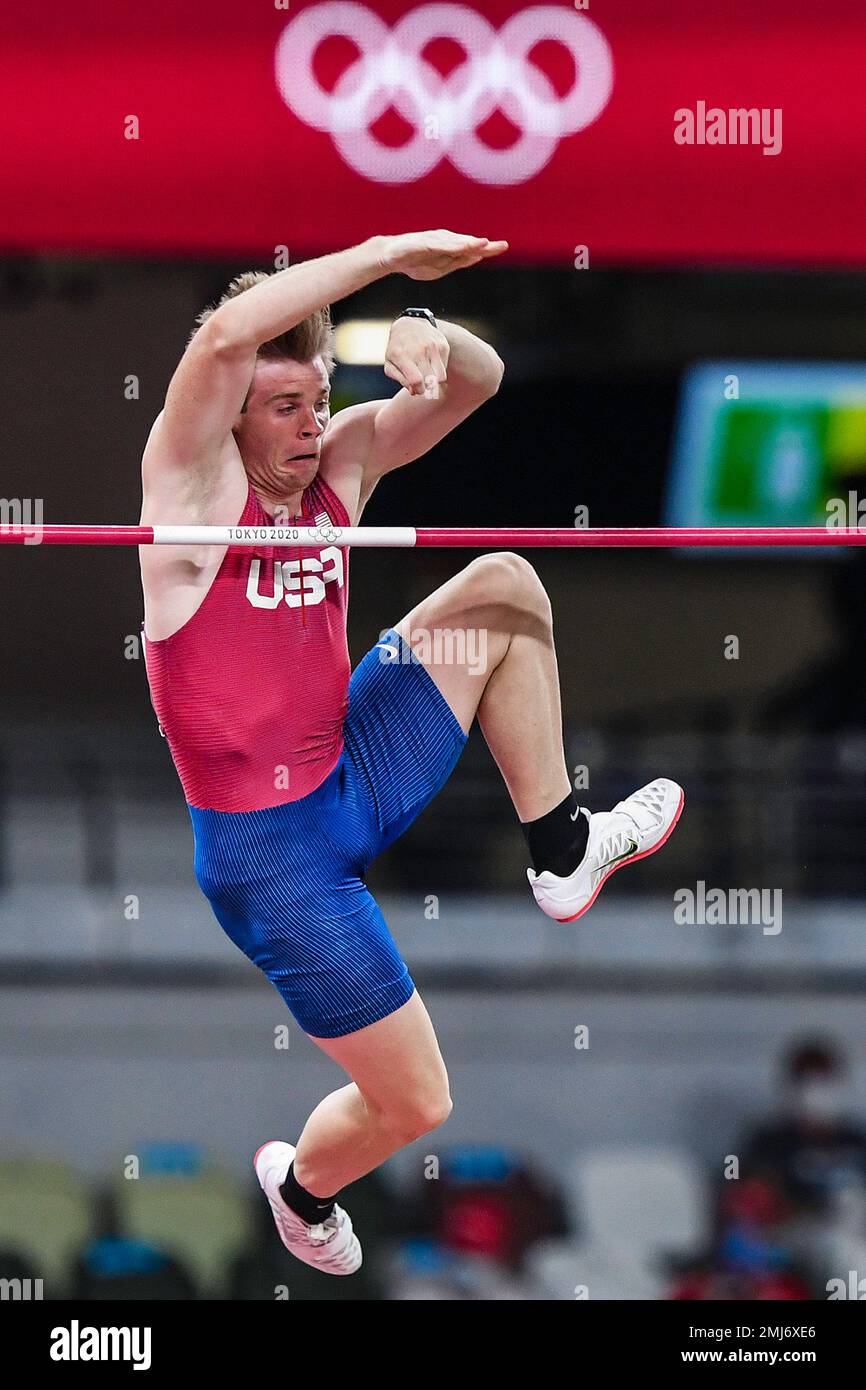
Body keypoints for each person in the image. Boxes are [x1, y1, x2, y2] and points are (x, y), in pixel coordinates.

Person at [138, 230, 684, 1275]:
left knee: (505, 588)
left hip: (353, 758)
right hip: (271, 857)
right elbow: (220, 338)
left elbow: (482, 383)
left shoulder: (341, 461)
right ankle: (300, 1192)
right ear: (232, 417)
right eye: (283, 407)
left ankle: (561, 846)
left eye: (317, 399)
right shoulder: (191, 491)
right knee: (418, 1100)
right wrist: (385, 252)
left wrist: (429, 334)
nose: (310, 426)